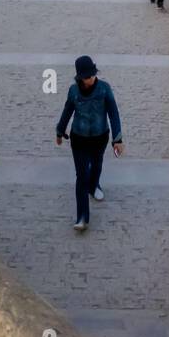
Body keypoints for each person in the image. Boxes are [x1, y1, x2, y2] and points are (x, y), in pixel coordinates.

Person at [55, 56, 123, 232]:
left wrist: (118, 139)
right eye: (87, 76)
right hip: (79, 138)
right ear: (79, 77)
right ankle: (82, 217)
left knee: (97, 164)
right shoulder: (73, 91)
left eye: (92, 75)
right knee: (81, 176)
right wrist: (60, 130)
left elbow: (114, 113)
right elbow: (67, 111)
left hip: (100, 137)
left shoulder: (104, 89)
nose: (91, 78)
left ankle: (95, 185)